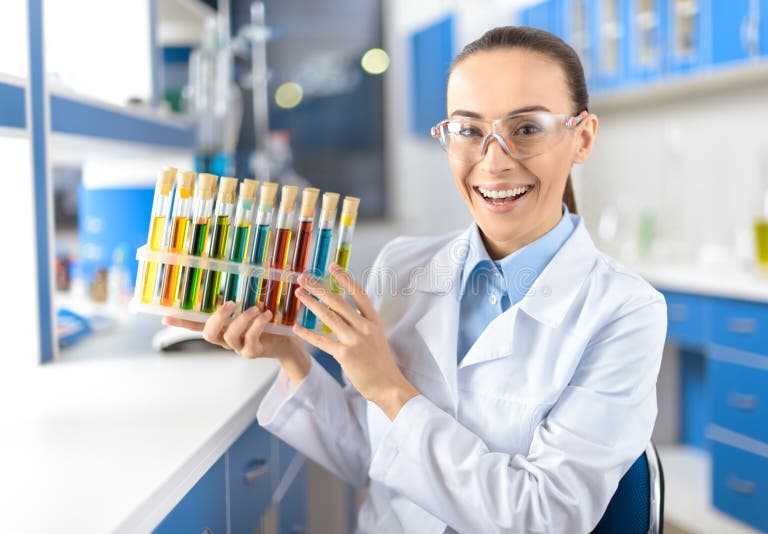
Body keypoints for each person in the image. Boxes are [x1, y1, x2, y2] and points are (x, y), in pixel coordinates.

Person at [165, 26, 667, 534]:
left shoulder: (625, 311)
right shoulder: (402, 268)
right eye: (469, 131)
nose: (493, 161)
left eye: (528, 128)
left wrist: (387, 385)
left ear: (581, 138)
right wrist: (289, 355)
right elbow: (374, 460)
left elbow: (546, 516)